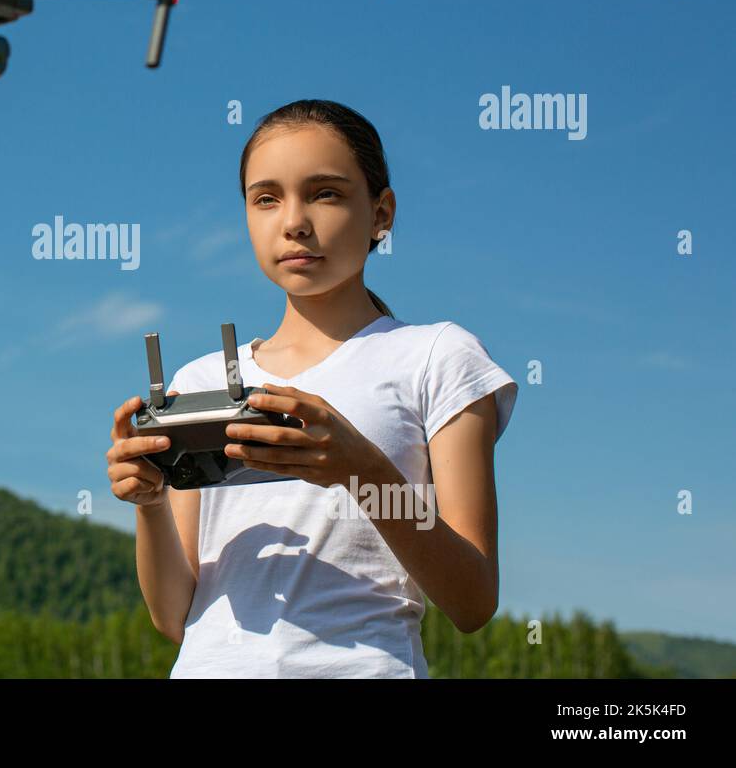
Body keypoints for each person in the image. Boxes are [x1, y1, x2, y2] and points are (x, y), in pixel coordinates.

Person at [106, 99, 518, 678]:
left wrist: (360, 471)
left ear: (382, 213)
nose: (293, 221)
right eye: (266, 198)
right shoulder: (196, 382)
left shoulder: (438, 356)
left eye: (325, 193)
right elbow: (175, 615)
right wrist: (148, 504)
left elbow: (472, 601)